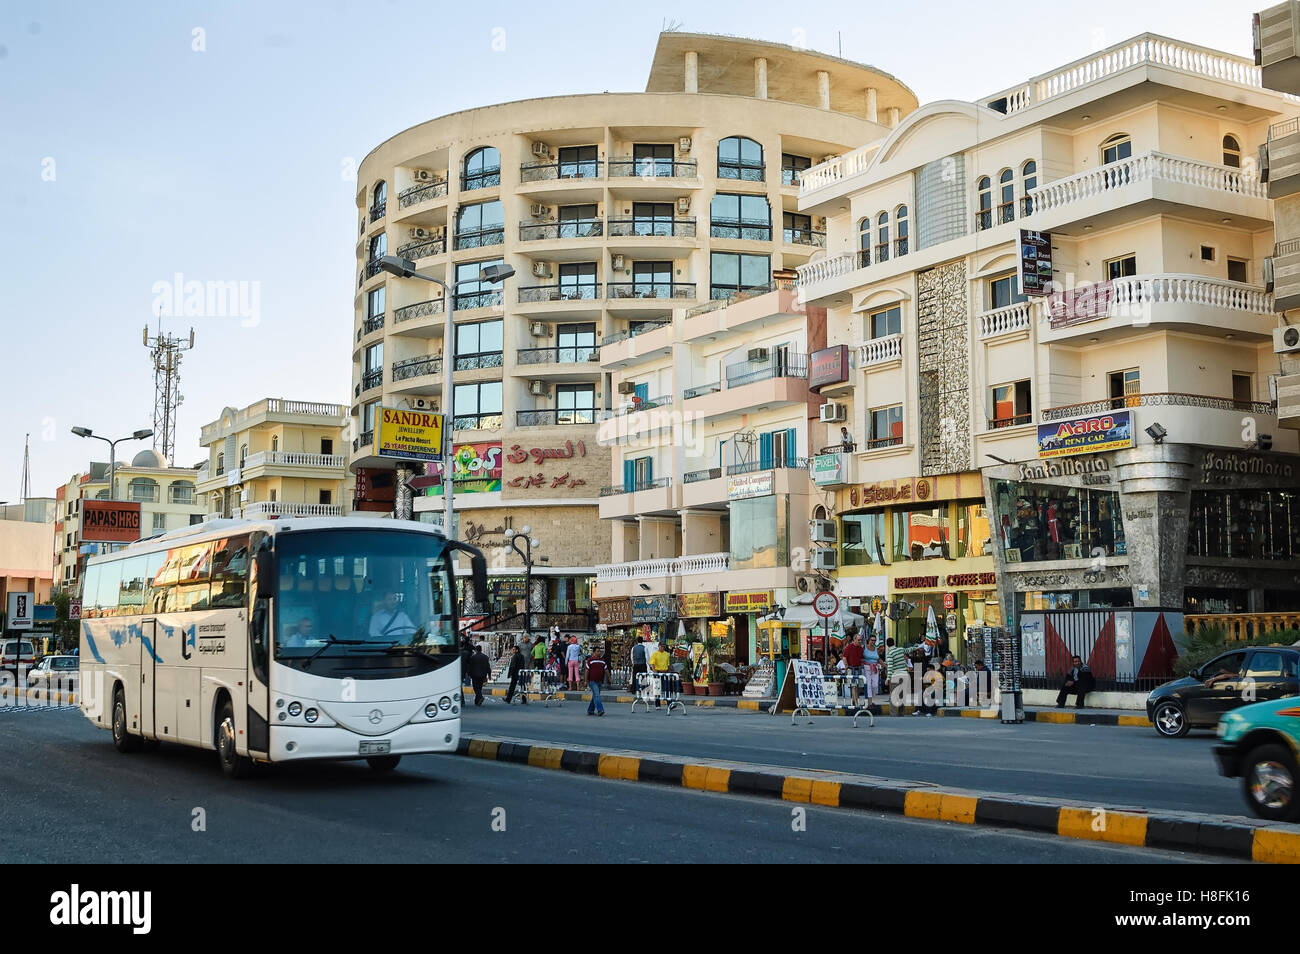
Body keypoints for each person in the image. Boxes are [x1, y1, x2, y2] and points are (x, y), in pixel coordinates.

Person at [885, 636, 908, 711]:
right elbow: (909, 649)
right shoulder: (900, 649)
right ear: (894, 643)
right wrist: (917, 646)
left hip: (896, 676)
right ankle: (901, 713)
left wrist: (888, 678)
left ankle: (893, 713)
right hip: (904, 675)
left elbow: (890, 667)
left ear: (887, 645)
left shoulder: (890, 654)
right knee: (902, 695)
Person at [842, 632, 865, 707]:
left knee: (860, 686)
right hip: (851, 669)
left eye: (860, 640)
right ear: (854, 640)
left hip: (859, 668)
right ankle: (856, 702)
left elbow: (861, 658)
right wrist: (846, 666)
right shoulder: (849, 647)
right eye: (858, 640)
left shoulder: (861, 648)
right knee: (853, 686)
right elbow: (844, 658)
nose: (860, 641)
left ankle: (854, 699)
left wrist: (863, 665)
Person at [649, 641, 672, 708]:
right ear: (658, 646)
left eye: (664, 647)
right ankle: (657, 704)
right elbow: (652, 664)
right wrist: (655, 672)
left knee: (667, 688)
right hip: (658, 672)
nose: (662, 648)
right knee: (657, 689)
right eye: (661, 646)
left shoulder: (667, 654)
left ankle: (669, 703)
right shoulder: (655, 654)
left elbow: (668, 664)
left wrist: (669, 672)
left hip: (665, 673)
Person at [586, 649, 607, 716]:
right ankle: (600, 710)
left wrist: (609, 679)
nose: (599, 652)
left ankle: (590, 710)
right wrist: (586, 680)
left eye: (599, 651)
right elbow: (587, 671)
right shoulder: (590, 660)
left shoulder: (602, 661)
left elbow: (606, 670)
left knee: (595, 695)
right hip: (592, 681)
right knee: (597, 695)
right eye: (597, 651)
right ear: (594, 652)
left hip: (599, 681)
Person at [862, 634, 881, 709]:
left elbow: (878, 659)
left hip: (875, 668)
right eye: (872, 640)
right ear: (868, 640)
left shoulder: (876, 649)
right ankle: (870, 702)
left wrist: (885, 666)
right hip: (867, 667)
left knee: (875, 685)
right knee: (868, 685)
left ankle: (869, 699)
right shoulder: (864, 648)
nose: (873, 642)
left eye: (874, 640)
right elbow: (860, 657)